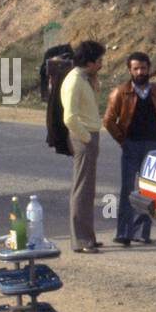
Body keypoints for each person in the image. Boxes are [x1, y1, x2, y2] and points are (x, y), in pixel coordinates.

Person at [103, 52, 156, 246]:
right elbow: (108, 120)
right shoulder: (121, 92)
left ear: (149, 69)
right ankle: (124, 233)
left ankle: (142, 232)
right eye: (136, 69)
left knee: (148, 190)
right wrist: (122, 140)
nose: (140, 72)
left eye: (143, 68)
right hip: (131, 145)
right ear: (130, 71)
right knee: (128, 188)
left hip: (153, 146)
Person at [61, 40, 106, 254]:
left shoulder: (85, 78)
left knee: (88, 190)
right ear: (89, 62)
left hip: (89, 134)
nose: (101, 64)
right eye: (99, 61)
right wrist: (87, 138)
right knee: (82, 189)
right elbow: (69, 117)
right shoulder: (74, 81)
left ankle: (88, 236)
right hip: (83, 136)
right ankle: (81, 239)